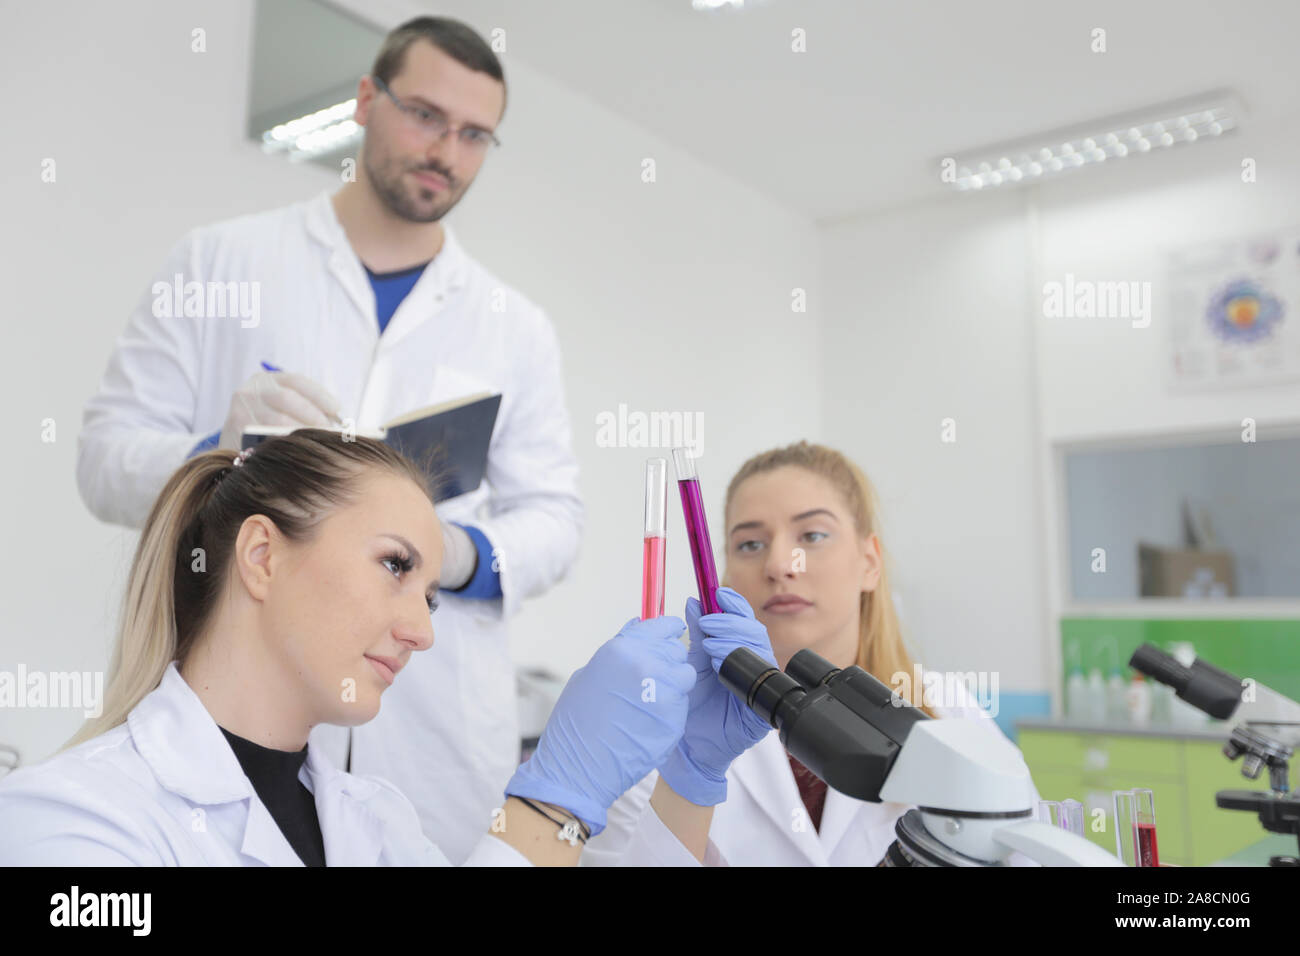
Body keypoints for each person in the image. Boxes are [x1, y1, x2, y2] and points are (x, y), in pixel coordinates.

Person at [74, 17, 579, 863]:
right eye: (424, 114)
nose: (445, 151)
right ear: (365, 101)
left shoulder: (515, 328)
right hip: (229, 697)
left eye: (474, 135)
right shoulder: (221, 263)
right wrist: (219, 451)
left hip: (432, 727)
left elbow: (556, 517)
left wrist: (450, 554)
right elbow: (103, 460)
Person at [0, 432, 776, 866]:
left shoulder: (376, 827)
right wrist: (550, 801)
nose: (423, 630)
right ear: (263, 556)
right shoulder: (72, 819)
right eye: (396, 566)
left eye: (431, 594)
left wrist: (690, 776)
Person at [584, 441, 1042, 866]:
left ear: (870, 562)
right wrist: (689, 779)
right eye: (750, 544)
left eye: (813, 535)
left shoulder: (949, 713)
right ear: (722, 570)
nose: (781, 564)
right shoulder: (671, 734)